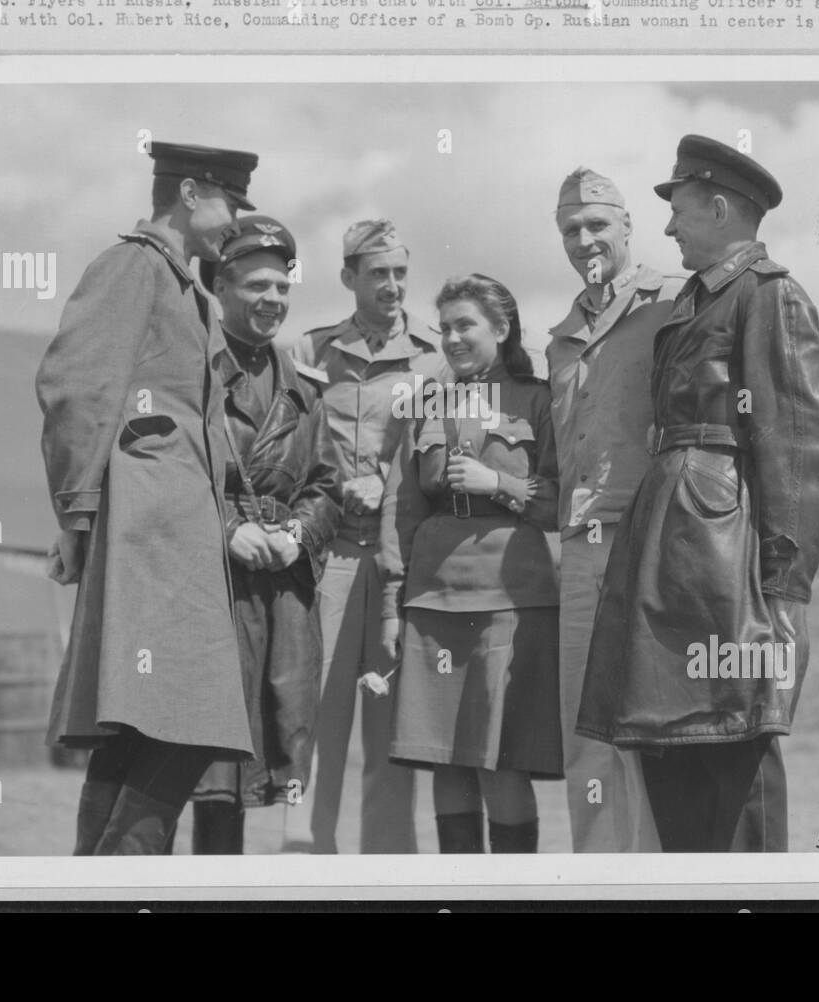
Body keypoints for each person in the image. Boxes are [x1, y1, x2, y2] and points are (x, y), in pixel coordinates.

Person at [577, 135, 819, 852]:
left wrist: (785, 589)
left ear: (722, 208)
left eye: (682, 210)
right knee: (671, 742)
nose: (668, 228)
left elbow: (802, 449)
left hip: (730, 567)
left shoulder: (770, 297)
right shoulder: (695, 301)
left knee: (734, 747)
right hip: (672, 553)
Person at [38, 142, 259, 855]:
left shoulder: (185, 286)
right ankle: (118, 875)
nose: (237, 224)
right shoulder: (134, 265)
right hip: (147, 536)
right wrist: (76, 513)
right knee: (191, 716)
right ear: (191, 193)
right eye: (232, 204)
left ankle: (94, 878)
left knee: (145, 725)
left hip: (175, 533)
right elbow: (77, 385)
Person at [379, 275, 562, 853]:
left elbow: (561, 502)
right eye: (446, 327)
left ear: (501, 329)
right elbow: (400, 509)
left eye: (467, 325)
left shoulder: (538, 398)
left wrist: (500, 483)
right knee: (446, 760)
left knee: (499, 758)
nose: (453, 338)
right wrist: (391, 608)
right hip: (433, 599)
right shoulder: (427, 402)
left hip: (511, 598)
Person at [187, 216, 343, 854]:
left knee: (267, 753)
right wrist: (226, 528)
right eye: (256, 285)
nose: (273, 300)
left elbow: (327, 484)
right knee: (206, 763)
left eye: (282, 287)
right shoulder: (189, 376)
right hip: (212, 589)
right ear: (219, 287)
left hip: (281, 592)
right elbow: (167, 473)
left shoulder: (305, 390)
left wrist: (296, 533)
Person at [289, 220, 444, 854]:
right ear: (349, 277)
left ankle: (390, 875)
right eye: (377, 272)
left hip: (395, 563)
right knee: (311, 727)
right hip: (325, 566)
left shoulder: (433, 360)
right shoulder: (311, 352)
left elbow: (440, 459)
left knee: (390, 739)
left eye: (401, 272)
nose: (392, 285)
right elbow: (289, 449)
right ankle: (302, 868)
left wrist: (389, 483)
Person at [546, 167, 674, 853]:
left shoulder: (674, 302)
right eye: (571, 229)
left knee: (649, 729)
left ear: (627, 226)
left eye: (597, 225)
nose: (585, 238)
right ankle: (595, 882)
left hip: (649, 540)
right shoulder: (560, 338)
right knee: (584, 732)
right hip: (580, 550)